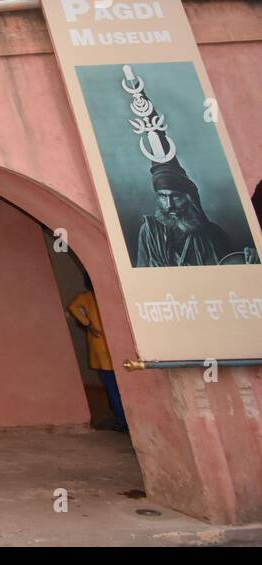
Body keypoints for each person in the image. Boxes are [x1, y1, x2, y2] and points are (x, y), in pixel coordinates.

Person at [135, 157, 243, 267]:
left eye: (176, 196)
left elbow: (232, 270)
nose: (169, 205)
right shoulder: (149, 231)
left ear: (189, 198)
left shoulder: (214, 233)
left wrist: (249, 258)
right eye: (163, 196)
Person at [67, 277, 127, 433]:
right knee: (122, 387)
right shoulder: (110, 294)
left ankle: (122, 420)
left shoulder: (86, 298)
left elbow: (73, 307)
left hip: (100, 347)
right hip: (118, 346)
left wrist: (87, 323)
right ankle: (127, 419)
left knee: (112, 387)